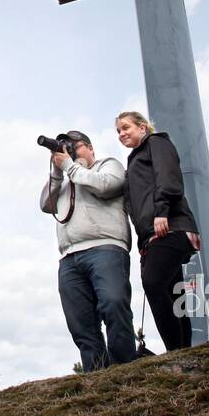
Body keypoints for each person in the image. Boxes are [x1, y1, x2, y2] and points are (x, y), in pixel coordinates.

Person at [39, 130, 137, 372]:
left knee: (114, 305)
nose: (72, 152)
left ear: (91, 148)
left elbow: (106, 185)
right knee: (81, 323)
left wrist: (71, 166)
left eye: (77, 146)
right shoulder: (65, 180)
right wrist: (56, 171)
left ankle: (125, 369)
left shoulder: (107, 165)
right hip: (69, 258)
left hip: (105, 247)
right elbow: (46, 205)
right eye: (67, 148)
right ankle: (97, 376)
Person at [118, 111, 200, 352]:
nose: (122, 134)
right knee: (173, 291)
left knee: (153, 283)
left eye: (126, 127)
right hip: (152, 235)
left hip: (170, 226)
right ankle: (185, 350)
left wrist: (161, 211)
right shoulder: (135, 158)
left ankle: (175, 350)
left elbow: (168, 177)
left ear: (143, 127)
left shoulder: (157, 143)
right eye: (118, 131)